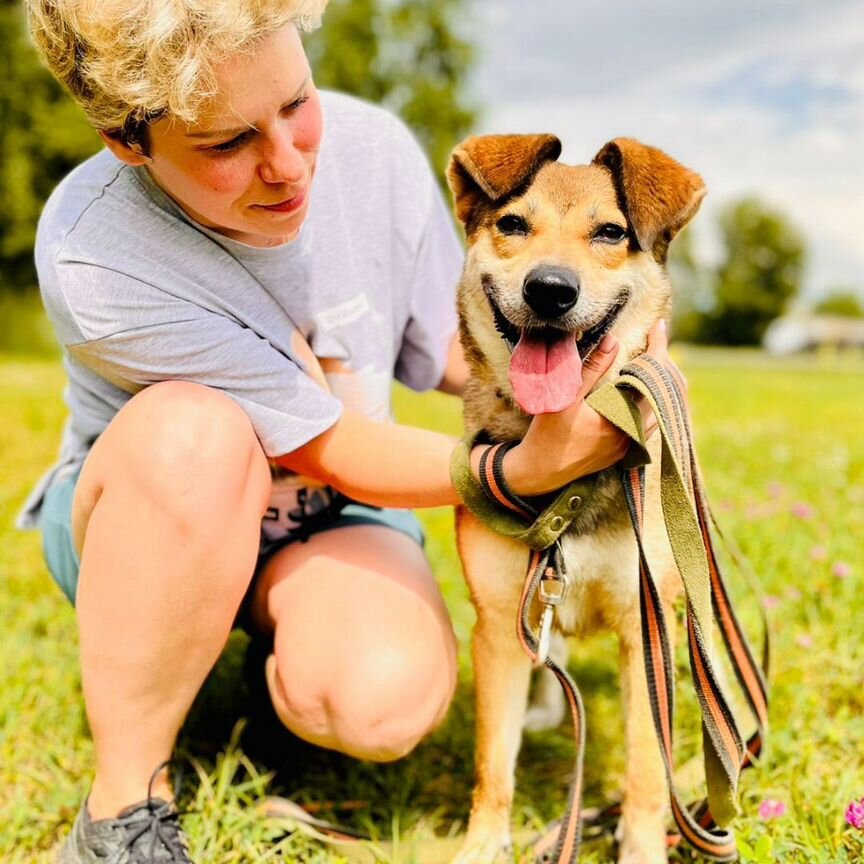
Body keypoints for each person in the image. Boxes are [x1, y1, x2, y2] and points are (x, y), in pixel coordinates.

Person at [20, 1, 665, 861]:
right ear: (128, 142)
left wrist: (603, 368)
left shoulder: (376, 155)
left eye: (296, 103)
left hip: (333, 516)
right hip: (155, 519)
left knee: (383, 699)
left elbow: (456, 341)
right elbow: (329, 442)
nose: (288, 165)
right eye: (225, 143)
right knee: (195, 436)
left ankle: (278, 654)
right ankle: (123, 809)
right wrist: (522, 469)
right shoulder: (94, 247)